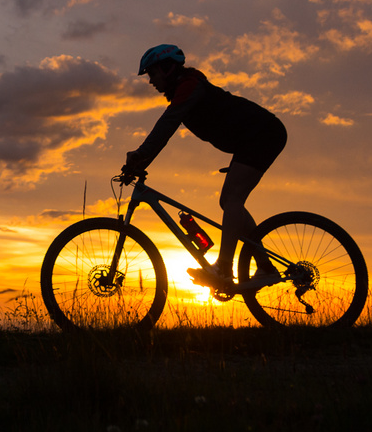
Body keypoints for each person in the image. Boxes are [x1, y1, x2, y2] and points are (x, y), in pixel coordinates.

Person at [118, 43, 286, 295]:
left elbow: (166, 126)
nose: (151, 81)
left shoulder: (189, 87)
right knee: (230, 202)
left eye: (152, 74)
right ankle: (264, 265)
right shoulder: (185, 90)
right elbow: (167, 129)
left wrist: (140, 157)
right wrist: (141, 161)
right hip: (252, 138)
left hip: (263, 134)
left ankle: (224, 269)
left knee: (231, 199)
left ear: (168, 68)